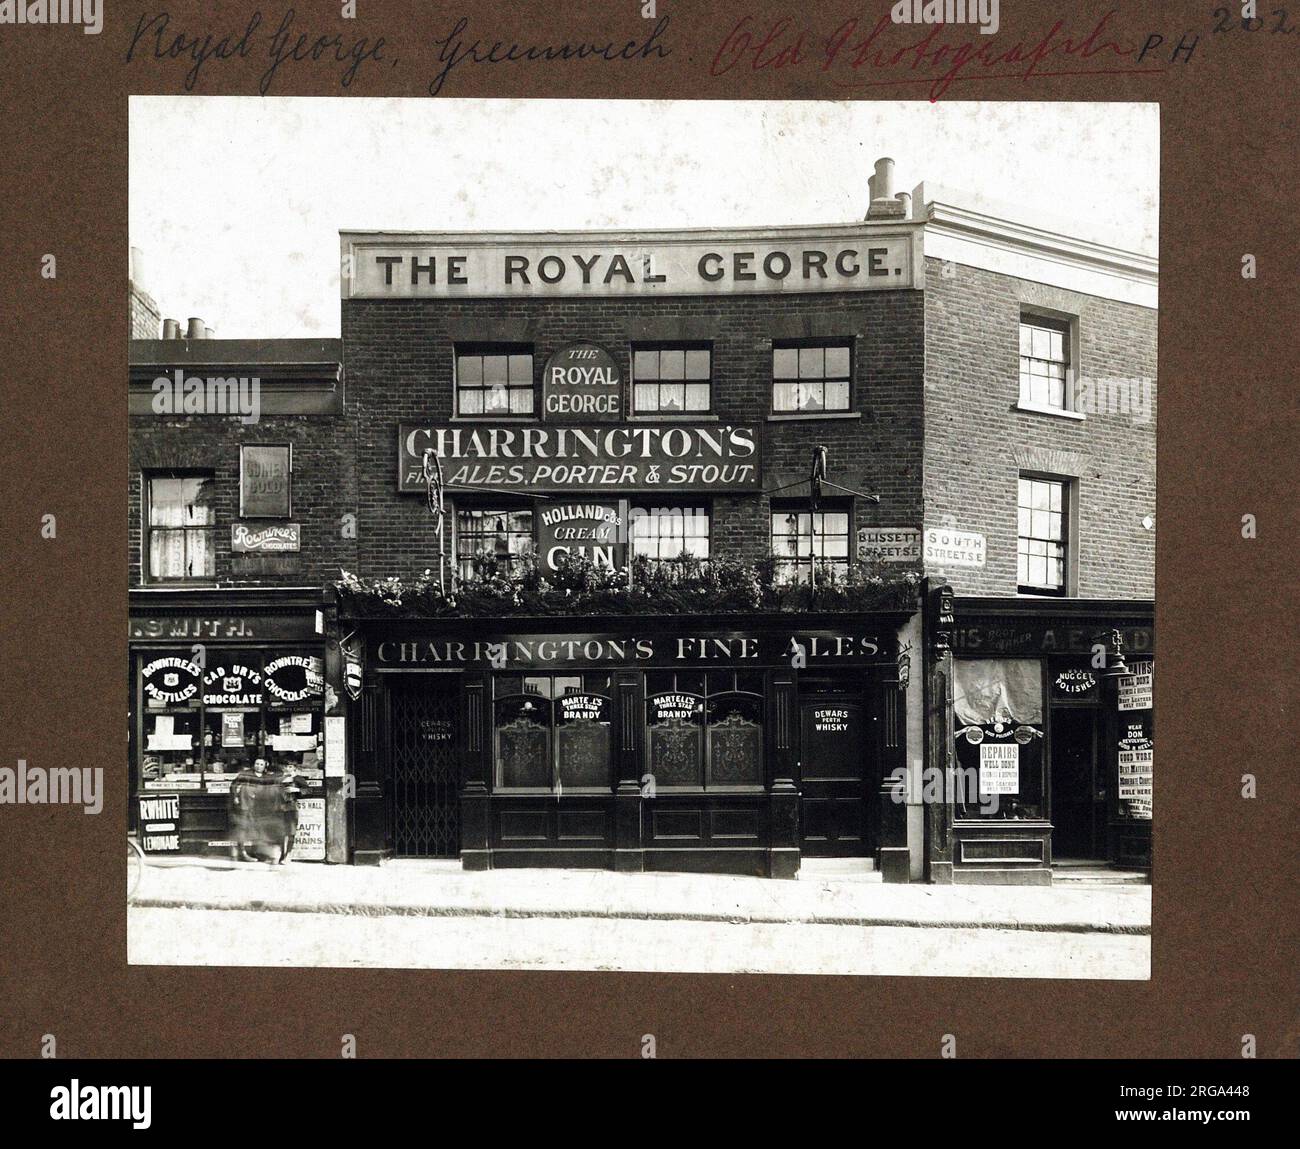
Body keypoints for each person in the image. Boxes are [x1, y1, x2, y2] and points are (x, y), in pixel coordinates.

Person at [228, 757, 283, 863]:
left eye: (261, 764)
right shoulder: (245, 774)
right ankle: (242, 852)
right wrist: (235, 797)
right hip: (245, 804)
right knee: (243, 828)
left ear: (265, 766)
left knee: (259, 828)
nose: (258, 766)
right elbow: (234, 785)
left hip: (259, 806)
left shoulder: (266, 777)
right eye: (257, 764)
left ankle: (258, 852)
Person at [278, 764, 301, 864]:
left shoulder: (298, 779)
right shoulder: (280, 779)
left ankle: (288, 854)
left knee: (291, 832)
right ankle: (281, 854)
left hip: (291, 807)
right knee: (281, 833)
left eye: (290, 767)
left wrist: (297, 790)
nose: (288, 768)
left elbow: (309, 790)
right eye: (286, 766)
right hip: (279, 808)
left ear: (295, 768)